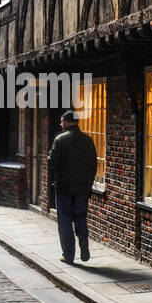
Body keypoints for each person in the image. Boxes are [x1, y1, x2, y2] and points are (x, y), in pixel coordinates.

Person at [48, 110, 97, 264]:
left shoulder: (60, 140)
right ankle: (83, 242)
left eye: (62, 121)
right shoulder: (87, 140)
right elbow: (93, 165)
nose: (60, 124)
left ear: (67, 122)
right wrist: (89, 183)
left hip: (64, 188)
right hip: (82, 188)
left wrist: (51, 157)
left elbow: (52, 163)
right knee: (81, 217)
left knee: (65, 221)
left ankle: (68, 255)